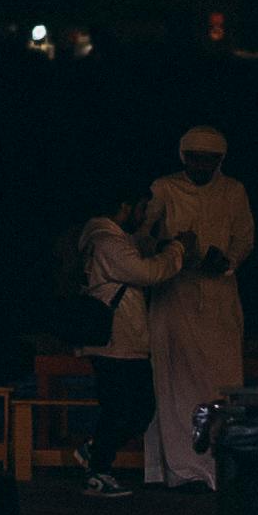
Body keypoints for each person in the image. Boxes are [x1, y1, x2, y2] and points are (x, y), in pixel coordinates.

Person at [140, 124, 255, 488]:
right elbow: (143, 236)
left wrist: (227, 262)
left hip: (219, 302)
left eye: (209, 160)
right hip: (175, 299)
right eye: (195, 158)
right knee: (174, 384)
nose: (201, 166)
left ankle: (217, 466)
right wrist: (170, 249)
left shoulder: (233, 191)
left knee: (220, 385)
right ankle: (181, 470)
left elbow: (244, 238)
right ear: (183, 157)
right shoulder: (164, 188)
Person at [73, 187, 173, 484]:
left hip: (119, 342)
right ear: (125, 207)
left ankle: (96, 454)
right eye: (140, 208)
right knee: (124, 410)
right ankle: (98, 472)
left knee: (134, 408)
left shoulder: (100, 240)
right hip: (116, 341)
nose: (143, 215)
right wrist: (177, 251)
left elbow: (138, 251)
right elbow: (148, 272)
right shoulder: (109, 243)